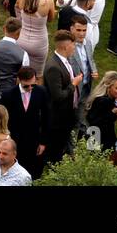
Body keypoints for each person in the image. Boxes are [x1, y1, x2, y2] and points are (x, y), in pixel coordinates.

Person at [2, 67, 49, 179]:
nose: (30, 88)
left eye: (32, 85)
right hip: (15, 141)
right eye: (26, 86)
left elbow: (47, 117)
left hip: (34, 141)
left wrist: (43, 142)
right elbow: (2, 120)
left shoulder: (41, 92)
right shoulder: (8, 95)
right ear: (19, 80)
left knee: (33, 174)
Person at [42, 29, 81, 164]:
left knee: (63, 142)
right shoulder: (53, 67)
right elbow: (58, 96)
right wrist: (74, 84)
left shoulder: (64, 61)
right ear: (65, 46)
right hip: (58, 117)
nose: (74, 47)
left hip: (67, 113)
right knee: (56, 148)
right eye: (73, 44)